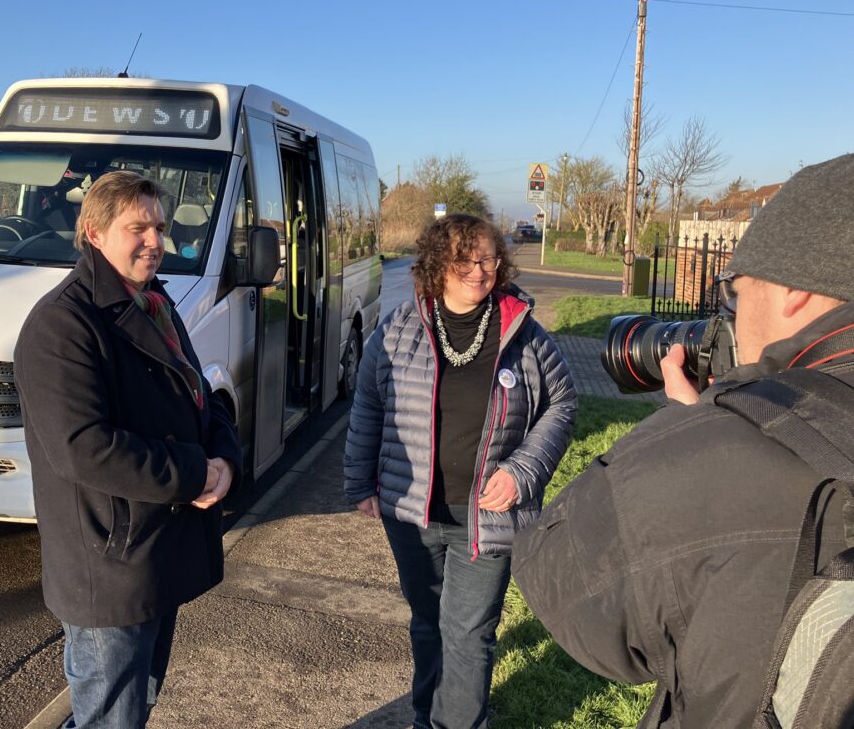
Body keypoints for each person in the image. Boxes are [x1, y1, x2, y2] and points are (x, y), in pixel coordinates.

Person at [512, 153, 854, 728]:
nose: (731, 319)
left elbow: (558, 580)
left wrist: (700, 431)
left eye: (736, 296)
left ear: (796, 288)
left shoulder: (726, 450)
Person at [14, 170, 241, 728]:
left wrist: (224, 461)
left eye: (160, 227)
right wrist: (194, 473)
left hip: (154, 549)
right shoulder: (61, 324)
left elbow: (198, 393)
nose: (155, 241)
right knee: (111, 713)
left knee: (133, 703)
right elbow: (83, 448)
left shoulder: (153, 301)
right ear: (93, 233)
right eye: (137, 227)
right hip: (108, 563)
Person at [344, 214, 578, 729]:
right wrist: (359, 482)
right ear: (436, 264)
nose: (479, 270)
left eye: (489, 258)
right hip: (412, 512)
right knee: (428, 624)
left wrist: (523, 471)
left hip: (487, 516)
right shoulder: (399, 329)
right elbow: (367, 405)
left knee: (469, 634)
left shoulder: (524, 333)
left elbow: (561, 403)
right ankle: (427, 717)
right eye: (465, 259)